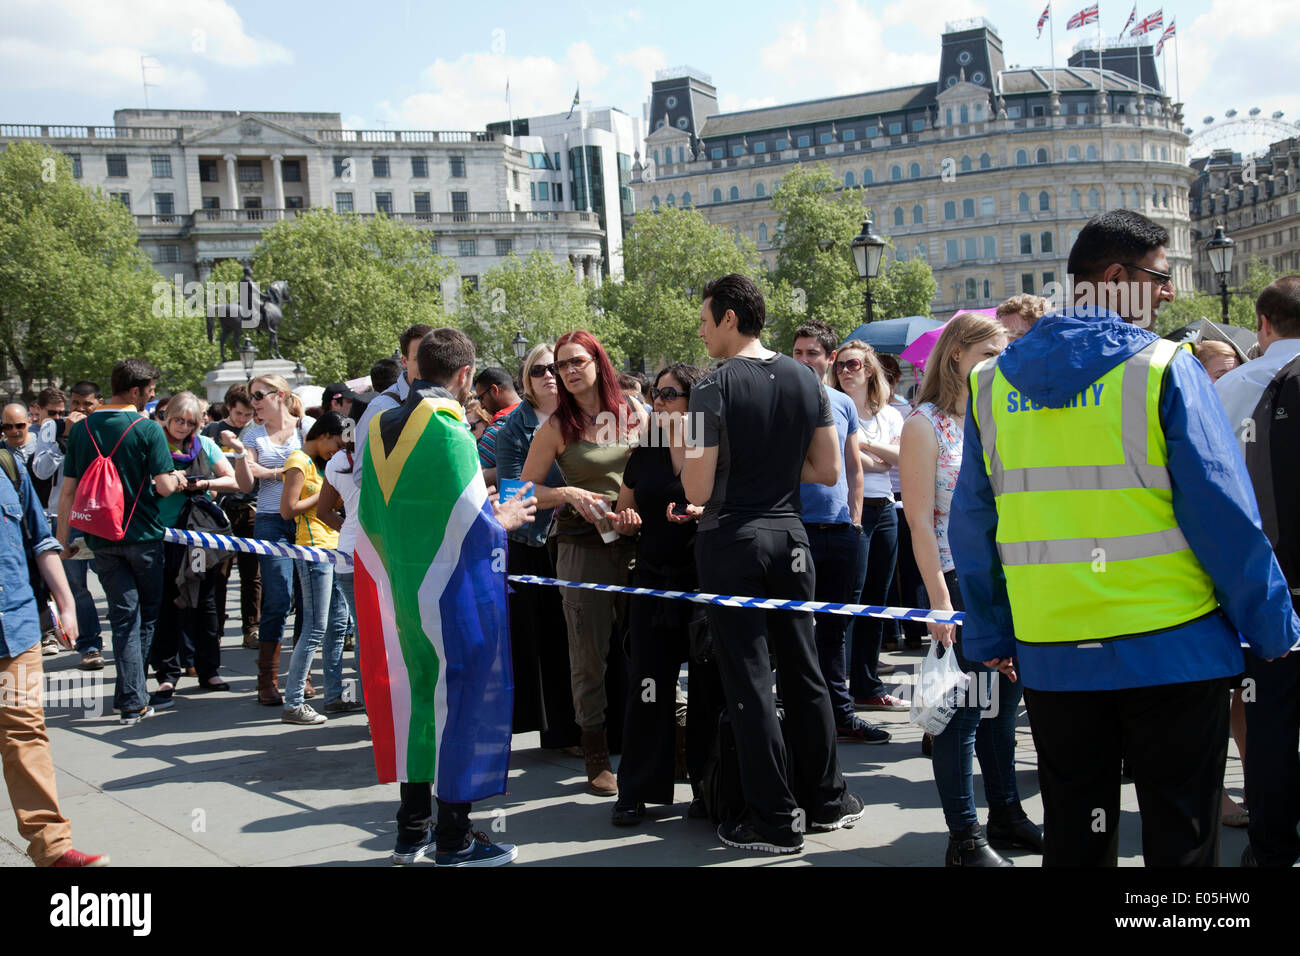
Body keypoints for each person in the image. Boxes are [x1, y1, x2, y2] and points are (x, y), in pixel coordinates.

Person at [952, 210, 1300, 866]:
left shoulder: (990, 384)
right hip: (1174, 644)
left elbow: (974, 525)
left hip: (1054, 649)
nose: (1169, 291)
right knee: (1180, 841)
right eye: (1161, 276)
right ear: (1117, 277)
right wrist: (1273, 624)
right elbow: (1224, 515)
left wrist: (992, 633)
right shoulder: (1166, 368)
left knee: (1076, 839)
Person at [683, 273, 864, 854]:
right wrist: (777, 475)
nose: (703, 330)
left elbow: (698, 482)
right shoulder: (806, 379)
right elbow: (827, 470)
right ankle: (827, 799)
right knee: (805, 668)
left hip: (732, 537)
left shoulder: (712, 387)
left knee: (749, 679)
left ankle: (774, 818)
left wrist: (709, 477)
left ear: (730, 319)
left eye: (707, 319)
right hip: (790, 536)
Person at [356, 327, 535, 867]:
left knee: (415, 702)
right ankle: (455, 838)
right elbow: (469, 516)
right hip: (450, 587)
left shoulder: (377, 424)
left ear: (415, 368)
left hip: (400, 588)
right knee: (460, 703)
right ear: (463, 376)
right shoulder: (447, 424)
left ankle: (412, 832)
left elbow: (374, 513)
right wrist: (503, 517)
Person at [899, 312, 1034, 866]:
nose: (1000, 366)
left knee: (1004, 709)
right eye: (990, 354)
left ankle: (1006, 815)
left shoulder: (1002, 416)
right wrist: (939, 600)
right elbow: (919, 523)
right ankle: (964, 838)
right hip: (957, 580)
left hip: (1010, 581)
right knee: (962, 713)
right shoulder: (923, 424)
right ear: (956, 355)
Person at [522, 330, 643, 797]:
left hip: (638, 545)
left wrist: (638, 514)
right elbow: (521, 490)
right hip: (581, 547)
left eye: (576, 361)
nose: (567, 371)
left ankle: (660, 742)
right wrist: (566, 493)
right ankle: (595, 753)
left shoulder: (634, 414)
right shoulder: (555, 426)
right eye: (559, 365)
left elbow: (658, 474)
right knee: (589, 655)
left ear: (598, 362)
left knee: (651, 647)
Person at [609, 363, 727, 825]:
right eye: (656, 395)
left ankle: (706, 786)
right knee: (648, 686)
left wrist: (705, 511)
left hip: (704, 579)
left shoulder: (714, 448)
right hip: (654, 579)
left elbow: (734, 506)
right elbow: (623, 511)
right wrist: (624, 522)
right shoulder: (646, 451)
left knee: (707, 688)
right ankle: (636, 790)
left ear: (694, 400)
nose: (658, 403)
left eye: (670, 394)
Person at [1215, 274, 1300, 866]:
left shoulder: (1235, 387)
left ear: (1263, 325)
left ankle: (1271, 848)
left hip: (1265, 578)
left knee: (1268, 719)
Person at [1, 442, 108, 866]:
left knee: (25, 733)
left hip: (16, 627)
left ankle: (53, 849)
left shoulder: (8, 465)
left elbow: (40, 539)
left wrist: (66, 604)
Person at [57, 359, 181, 724]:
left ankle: (129, 694)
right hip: (143, 536)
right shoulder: (147, 429)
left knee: (124, 617)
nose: (153, 397)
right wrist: (176, 479)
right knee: (145, 618)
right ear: (134, 391)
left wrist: (63, 541)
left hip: (101, 538)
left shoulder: (81, 429)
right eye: (150, 391)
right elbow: (164, 485)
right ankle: (132, 698)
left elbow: (68, 491)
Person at [790, 323, 892, 741]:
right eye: (797, 352)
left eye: (812, 353)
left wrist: (852, 518)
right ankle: (803, 715)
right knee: (794, 627)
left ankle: (841, 714)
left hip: (840, 530)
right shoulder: (781, 399)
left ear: (828, 359)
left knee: (835, 628)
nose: (803, 360)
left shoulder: (841, 404)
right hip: (793, 530)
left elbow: (853, 466)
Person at [494, 343, 580, 753]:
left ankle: (594, 725)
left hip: (588, 541)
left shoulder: (585, 417)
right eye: (539, 370)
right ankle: (562, 732)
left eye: (556, 368)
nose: (549, 375)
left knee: (585, 638)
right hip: (535, 543)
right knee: (549, 640)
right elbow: (516, 492)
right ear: (525, 381)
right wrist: (568, 493)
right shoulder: (515, 427)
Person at [150, 392, 248, 702]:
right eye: (178, 420)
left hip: (197, 538)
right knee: (166, 601)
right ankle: (167, 673)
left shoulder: (204, 444)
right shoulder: (154, 445)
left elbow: (233, 481)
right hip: (163, 535)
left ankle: (208, 669)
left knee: (204, 600)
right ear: (168, 417)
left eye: (190, 422)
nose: (183, 427)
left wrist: (201, 484)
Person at [831, 338, 908, 710]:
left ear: (869, 370)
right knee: (852, 598)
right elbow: (852, 465)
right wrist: (878, 454)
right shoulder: (833, 410)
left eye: (854, 365)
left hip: (887, 509)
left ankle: (867, 684)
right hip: (851, 510)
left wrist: (863, 446)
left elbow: (901, 458)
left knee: (878, 600)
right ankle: (841, 686)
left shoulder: (890, 414)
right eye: (840, 366)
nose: (846, 371)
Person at [280, 412, 356, 725]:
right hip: (312, 551)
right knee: (314, 628)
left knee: (339, 625)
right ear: (323, 434)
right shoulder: (298, 460)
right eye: (336, 444)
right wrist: (324, 490)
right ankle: (293, 702)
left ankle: (335, 696)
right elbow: (288, 510)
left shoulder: (322, 464)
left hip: (334, 551)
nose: (336, 451)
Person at [242, 374, 305, 707]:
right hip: (269, 519)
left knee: (309, 599)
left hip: (307, 519)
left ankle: (302, 674)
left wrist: (270, 471)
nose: (253, 403)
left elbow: (317, 469)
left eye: (258, 396)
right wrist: (285, 470)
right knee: (278, 598)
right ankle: (266, 680)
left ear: (279, 395)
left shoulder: (307, 427)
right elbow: (247, 479)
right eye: (250, 397)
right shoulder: (251, 433)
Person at [32, 381, 104, 669]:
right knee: (76, 584)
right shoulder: (54, 428)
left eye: (87, 404)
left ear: (98, 403)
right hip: (66, 517)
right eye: (76, 404)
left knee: (113, 577)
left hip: (99, 515)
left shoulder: (103, 425)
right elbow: (41, 470)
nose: (81, 410)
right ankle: (90, 646)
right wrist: (65, 439)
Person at [203, 384, 262, 649]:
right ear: (229, 408)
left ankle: (252, 627)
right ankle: (214, 628)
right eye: (239, 414)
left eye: (248, 414)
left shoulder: (256, 432)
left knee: (253, 573)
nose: (243, 420)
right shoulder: (212, 432)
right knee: (218, 573)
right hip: (221, 509)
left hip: (251, 507)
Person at [471, 367, 521, 487]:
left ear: (494, 390)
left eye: (481, 398)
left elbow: (473, 477)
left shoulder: (499, 429)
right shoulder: (534, 412)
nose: (482, 406)